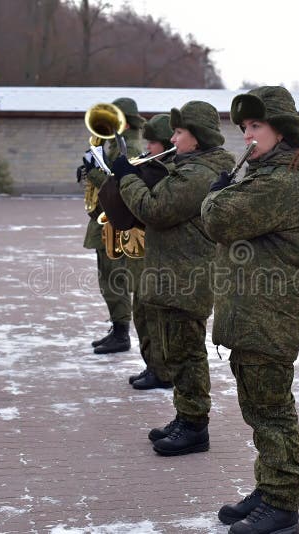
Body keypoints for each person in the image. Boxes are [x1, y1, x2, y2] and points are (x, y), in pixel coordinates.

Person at [202, 86, 299, 534]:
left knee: (271, 410)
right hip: (254, 310)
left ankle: (282, 504)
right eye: (243, 128)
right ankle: (268, 485)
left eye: (256, 126)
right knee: (258, 408)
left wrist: (215, 194)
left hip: (269, 314)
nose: (247, 136)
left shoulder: (281, 183)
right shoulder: (263, 174)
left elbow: (218, 220)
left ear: (281, 130)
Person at [114, 100, 234, 456]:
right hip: (175, 273)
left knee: (186, 353)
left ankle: (195, 426)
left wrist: (126, 178)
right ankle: (185, 416)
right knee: (177, 351)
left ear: (195, 139)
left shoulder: (199, 173)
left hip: (186, 276)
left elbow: (156, 209)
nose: (173, 137)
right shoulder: (190, 165)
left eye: (179, 132)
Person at [80, 97, 145, 355]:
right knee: (108, 279)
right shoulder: (117, 147)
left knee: (114, 280)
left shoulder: (129, 149)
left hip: (116, 225)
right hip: (107, 221)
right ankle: (117, 329)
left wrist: (93, 171)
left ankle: (121, 335)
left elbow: (117, 187)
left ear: (125, 123)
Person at [128, 113, 175, 390]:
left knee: (156, 318)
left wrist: (134, 179)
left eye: (153, 143)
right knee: (142, 312)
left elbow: (154, 207)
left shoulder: (171, 172)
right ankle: (152, 365)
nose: (148, 149)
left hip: (163, 256)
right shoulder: (152, 165)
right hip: (147, 252)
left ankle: (162, 369)